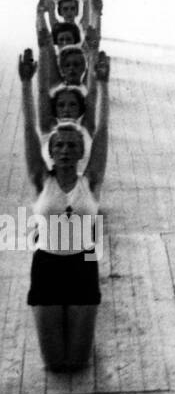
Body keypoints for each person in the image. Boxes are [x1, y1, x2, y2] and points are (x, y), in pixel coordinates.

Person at [19, 46, 110, 371]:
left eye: (73, 145)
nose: (66, 150)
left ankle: (81, 322)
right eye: (59, 145)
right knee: (57, 364)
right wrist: (26, 85)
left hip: (83, 264)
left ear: (81, 150)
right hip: (47, 266)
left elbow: (101, 131)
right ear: (51, 152)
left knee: (78, 362)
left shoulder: (92, 181)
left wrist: (103, 85)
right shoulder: (41, 179)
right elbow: (30, 131)